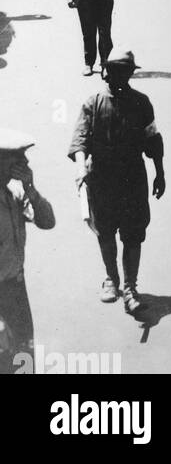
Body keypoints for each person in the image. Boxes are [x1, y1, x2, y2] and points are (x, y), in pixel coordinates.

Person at [69, 49, 165, 316]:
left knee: (133, 234)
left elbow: (152, 139)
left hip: (133, 178)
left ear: (131, 74)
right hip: (102, 178)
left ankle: (131, 288)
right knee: (106, 230)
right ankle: (111, 278)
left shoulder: (141, 103)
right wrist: (81, 168)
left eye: (124, 72)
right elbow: (80, 140)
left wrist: (160, 171)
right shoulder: (93, 103)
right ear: (105, 73)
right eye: (113, 72)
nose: (118, 77)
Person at [0, 129, 55, 376]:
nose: (26, 163)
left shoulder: (15, 194)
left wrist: (31, 189)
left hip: (15, 290)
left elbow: (47, 221)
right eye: (18, 157)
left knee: (24, 355)